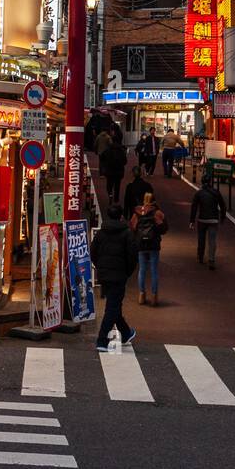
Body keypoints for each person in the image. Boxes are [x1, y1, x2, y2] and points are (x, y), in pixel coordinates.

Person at [90, 203, 137, 352]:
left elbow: (93, 252)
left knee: (114, 305)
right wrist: (127, 272)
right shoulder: (127, 233)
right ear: (121, 216)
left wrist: (100, 267)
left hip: (104, 274)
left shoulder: (101, 233)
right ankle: (102, 340)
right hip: (119, 275)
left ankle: (126, 332)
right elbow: (132, 256)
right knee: (112, 307)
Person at [130, 192, 168, 306]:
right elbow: (165, 228)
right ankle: (154, 296)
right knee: (154, 270)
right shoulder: (157, 213)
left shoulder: (137, 212)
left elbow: (132, 226)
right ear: (153, 200)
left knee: (142, 269)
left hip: (141, 244)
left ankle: (141, 295)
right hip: (153, 244)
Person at [190, 176, 227, 268]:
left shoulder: (199, 193)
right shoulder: (216, 192)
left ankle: (200, 257)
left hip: (202, 219)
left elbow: (194, 207)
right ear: (210, 182)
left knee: (201, 239)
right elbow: (223, 205)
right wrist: (222, 217)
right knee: (212, 240)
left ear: (202, 182)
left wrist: (192, 221)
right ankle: (211, 260)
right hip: (214, 219)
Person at [100, 135, 128, 205]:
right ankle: (116, 199)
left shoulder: (108, 149)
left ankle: (110, 194)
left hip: (110, 171)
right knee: (117, 185)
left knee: (109, 184)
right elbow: (125, 161)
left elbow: (102, 158)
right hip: (119, 171)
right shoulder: (122, 150)